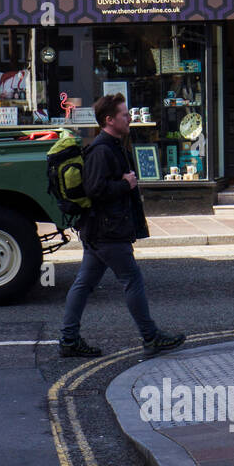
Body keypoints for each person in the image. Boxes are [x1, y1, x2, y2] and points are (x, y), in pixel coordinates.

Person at [59, 94, 185, 358]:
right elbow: (94, 189)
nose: (129, 118)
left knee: (84, 284)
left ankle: (69, 339)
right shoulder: (102, 149)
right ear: (109, 120)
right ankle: (151, 337)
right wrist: (125, 184)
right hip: (108, 231)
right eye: (124, 115)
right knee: (132, 280)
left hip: (101, 230)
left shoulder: (113, 145)